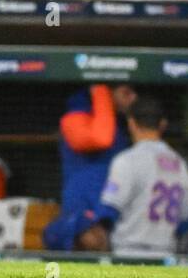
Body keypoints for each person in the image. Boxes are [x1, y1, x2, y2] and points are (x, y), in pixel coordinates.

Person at [80, 97, 188, 256]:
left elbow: (109, 210)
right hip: (166, 256)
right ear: (163, 124)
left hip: (128, 253)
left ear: (131, 123)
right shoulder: (181, 165)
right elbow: (184, 219)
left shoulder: (127, 160)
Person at [43, 83, 135, 251]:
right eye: (126, 92)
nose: (133, 99)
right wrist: (102, 92)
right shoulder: (77, 113)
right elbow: (100, 138)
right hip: (82, 208)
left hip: (111, 209)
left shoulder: (119, 125)